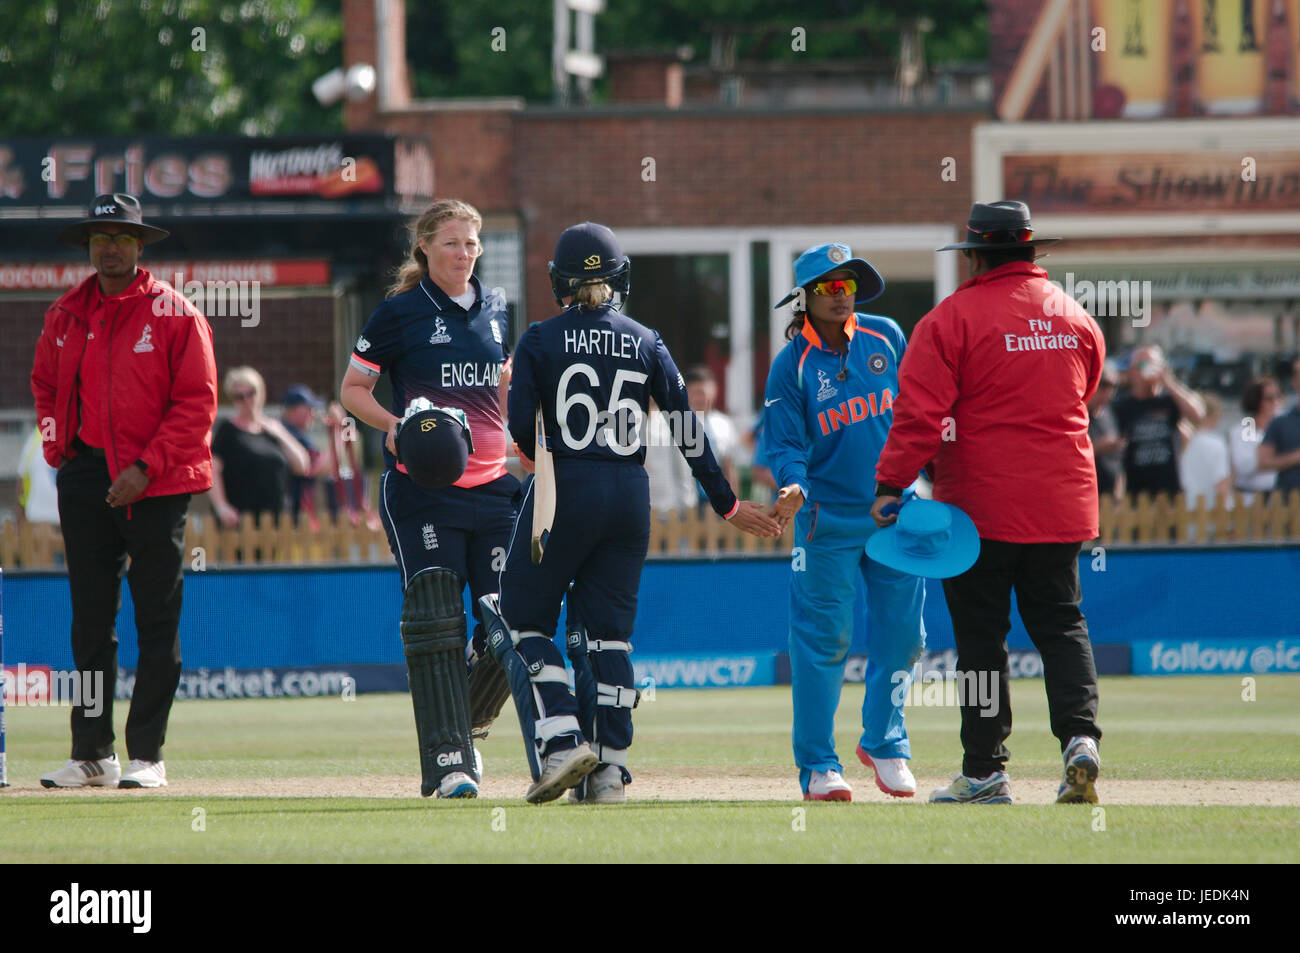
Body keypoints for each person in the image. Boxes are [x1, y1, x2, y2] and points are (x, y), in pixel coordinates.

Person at [484, 222, 779, 805]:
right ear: (619, 277)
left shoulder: (539, 340)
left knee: (522, 617)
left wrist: (542, 456)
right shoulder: (646, 339)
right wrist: (729, 502)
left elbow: (520, 428)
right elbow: (686, 428)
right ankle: (611, 771)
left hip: (566, 486)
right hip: (628, 496)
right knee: (610, 639)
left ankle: (562, 738)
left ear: (560, 281)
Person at [872, 200, 1106, 805]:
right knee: (1062, 623)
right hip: (1061, 501)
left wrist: (892, 485)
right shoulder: (1077, 318)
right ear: (1030, 253)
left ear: (975, 257)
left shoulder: (950, 320)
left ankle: (984, 772)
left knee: (981, 642)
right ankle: (1080, 740)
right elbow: (1086, 395)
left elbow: (920, 415)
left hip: (980, 509)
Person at [31, 192, 218, 789]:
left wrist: (145, 466)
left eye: (121, 238)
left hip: (156, 480)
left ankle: (146, 755)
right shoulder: (64, 314)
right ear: (89, 247)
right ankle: (91, 751)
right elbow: (43, 387)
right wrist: (59, 450)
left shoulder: (176, 314)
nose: (110, 248)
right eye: (99, 238)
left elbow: (197, 404)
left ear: (140, 246)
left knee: (156, 615)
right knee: (90, 621)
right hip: (85, 476)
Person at [339, 198, 518, 800]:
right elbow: (353, 389)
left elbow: (502, 389)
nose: (463, 253)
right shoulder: (398, 313)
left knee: (507, 614)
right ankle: (448, 765)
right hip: (421, 489)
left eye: (471, 243)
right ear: (424, 248)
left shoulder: (497, 309)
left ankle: (464, 725)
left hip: (494, 486)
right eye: (450, 243)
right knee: (436, 614)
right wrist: (394, 427)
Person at [760, 241, 927, 802]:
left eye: (848, 285)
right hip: (825, 521)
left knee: (906, 638)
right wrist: (792, 485)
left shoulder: (886, 336)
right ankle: (817, 765)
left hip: (893, 511)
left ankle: (885, 741)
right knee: (823, 641)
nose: (840, 296)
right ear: (804, 299)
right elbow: (784, 444)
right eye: (828, 287)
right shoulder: (791, 366)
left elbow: (914, 415)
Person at [209, 367, 310, 528]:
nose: (247, 400)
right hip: (241, 522)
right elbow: (213, 470)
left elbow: (302, 465)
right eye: (239, 397)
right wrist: (222, 507)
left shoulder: (273, 428)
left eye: (251, 393)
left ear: (261, 392)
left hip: (277, 520)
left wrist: (280, 433)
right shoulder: (228, 431)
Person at [1112, 344, 1205, 500]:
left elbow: (1198, 415)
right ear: (1132, 371)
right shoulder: (1122, 406)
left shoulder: (1169, 400)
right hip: (1136, 493)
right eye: (1143, 365)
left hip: (1170, 492)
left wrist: (1168, 382)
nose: (1149, 369)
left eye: (1154, 364)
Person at [1230, 376, 1281, 504]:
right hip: (1250, 498)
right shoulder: (1241, 431)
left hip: (1280, 498)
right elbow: (1244, 466)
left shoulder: (1284, 428)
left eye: (1278, 396)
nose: (1276, 402)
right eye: (1269, 398)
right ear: (1256, 401)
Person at [1179, 392, 1230, 513]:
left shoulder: (1180, 442)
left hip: (1184, 512)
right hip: (1211, 512)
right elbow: (1221, 482)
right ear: (1215, 416)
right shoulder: (1216, 443)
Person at [1258, 357, 1300, 499]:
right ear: (1294, 381)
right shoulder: (1280, 422)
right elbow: (1263, 462)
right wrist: (1295, 457)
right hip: (1288, 504)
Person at [1087, 363, 1125, 501]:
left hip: (1111, 499)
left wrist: (1119, 489)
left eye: (1112, 387)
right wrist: (1099, 447)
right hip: (1087, 496)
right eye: (1102, 386)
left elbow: (1118, 461)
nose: (1107, 393)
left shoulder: (1110, 414)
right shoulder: (1078, 417)